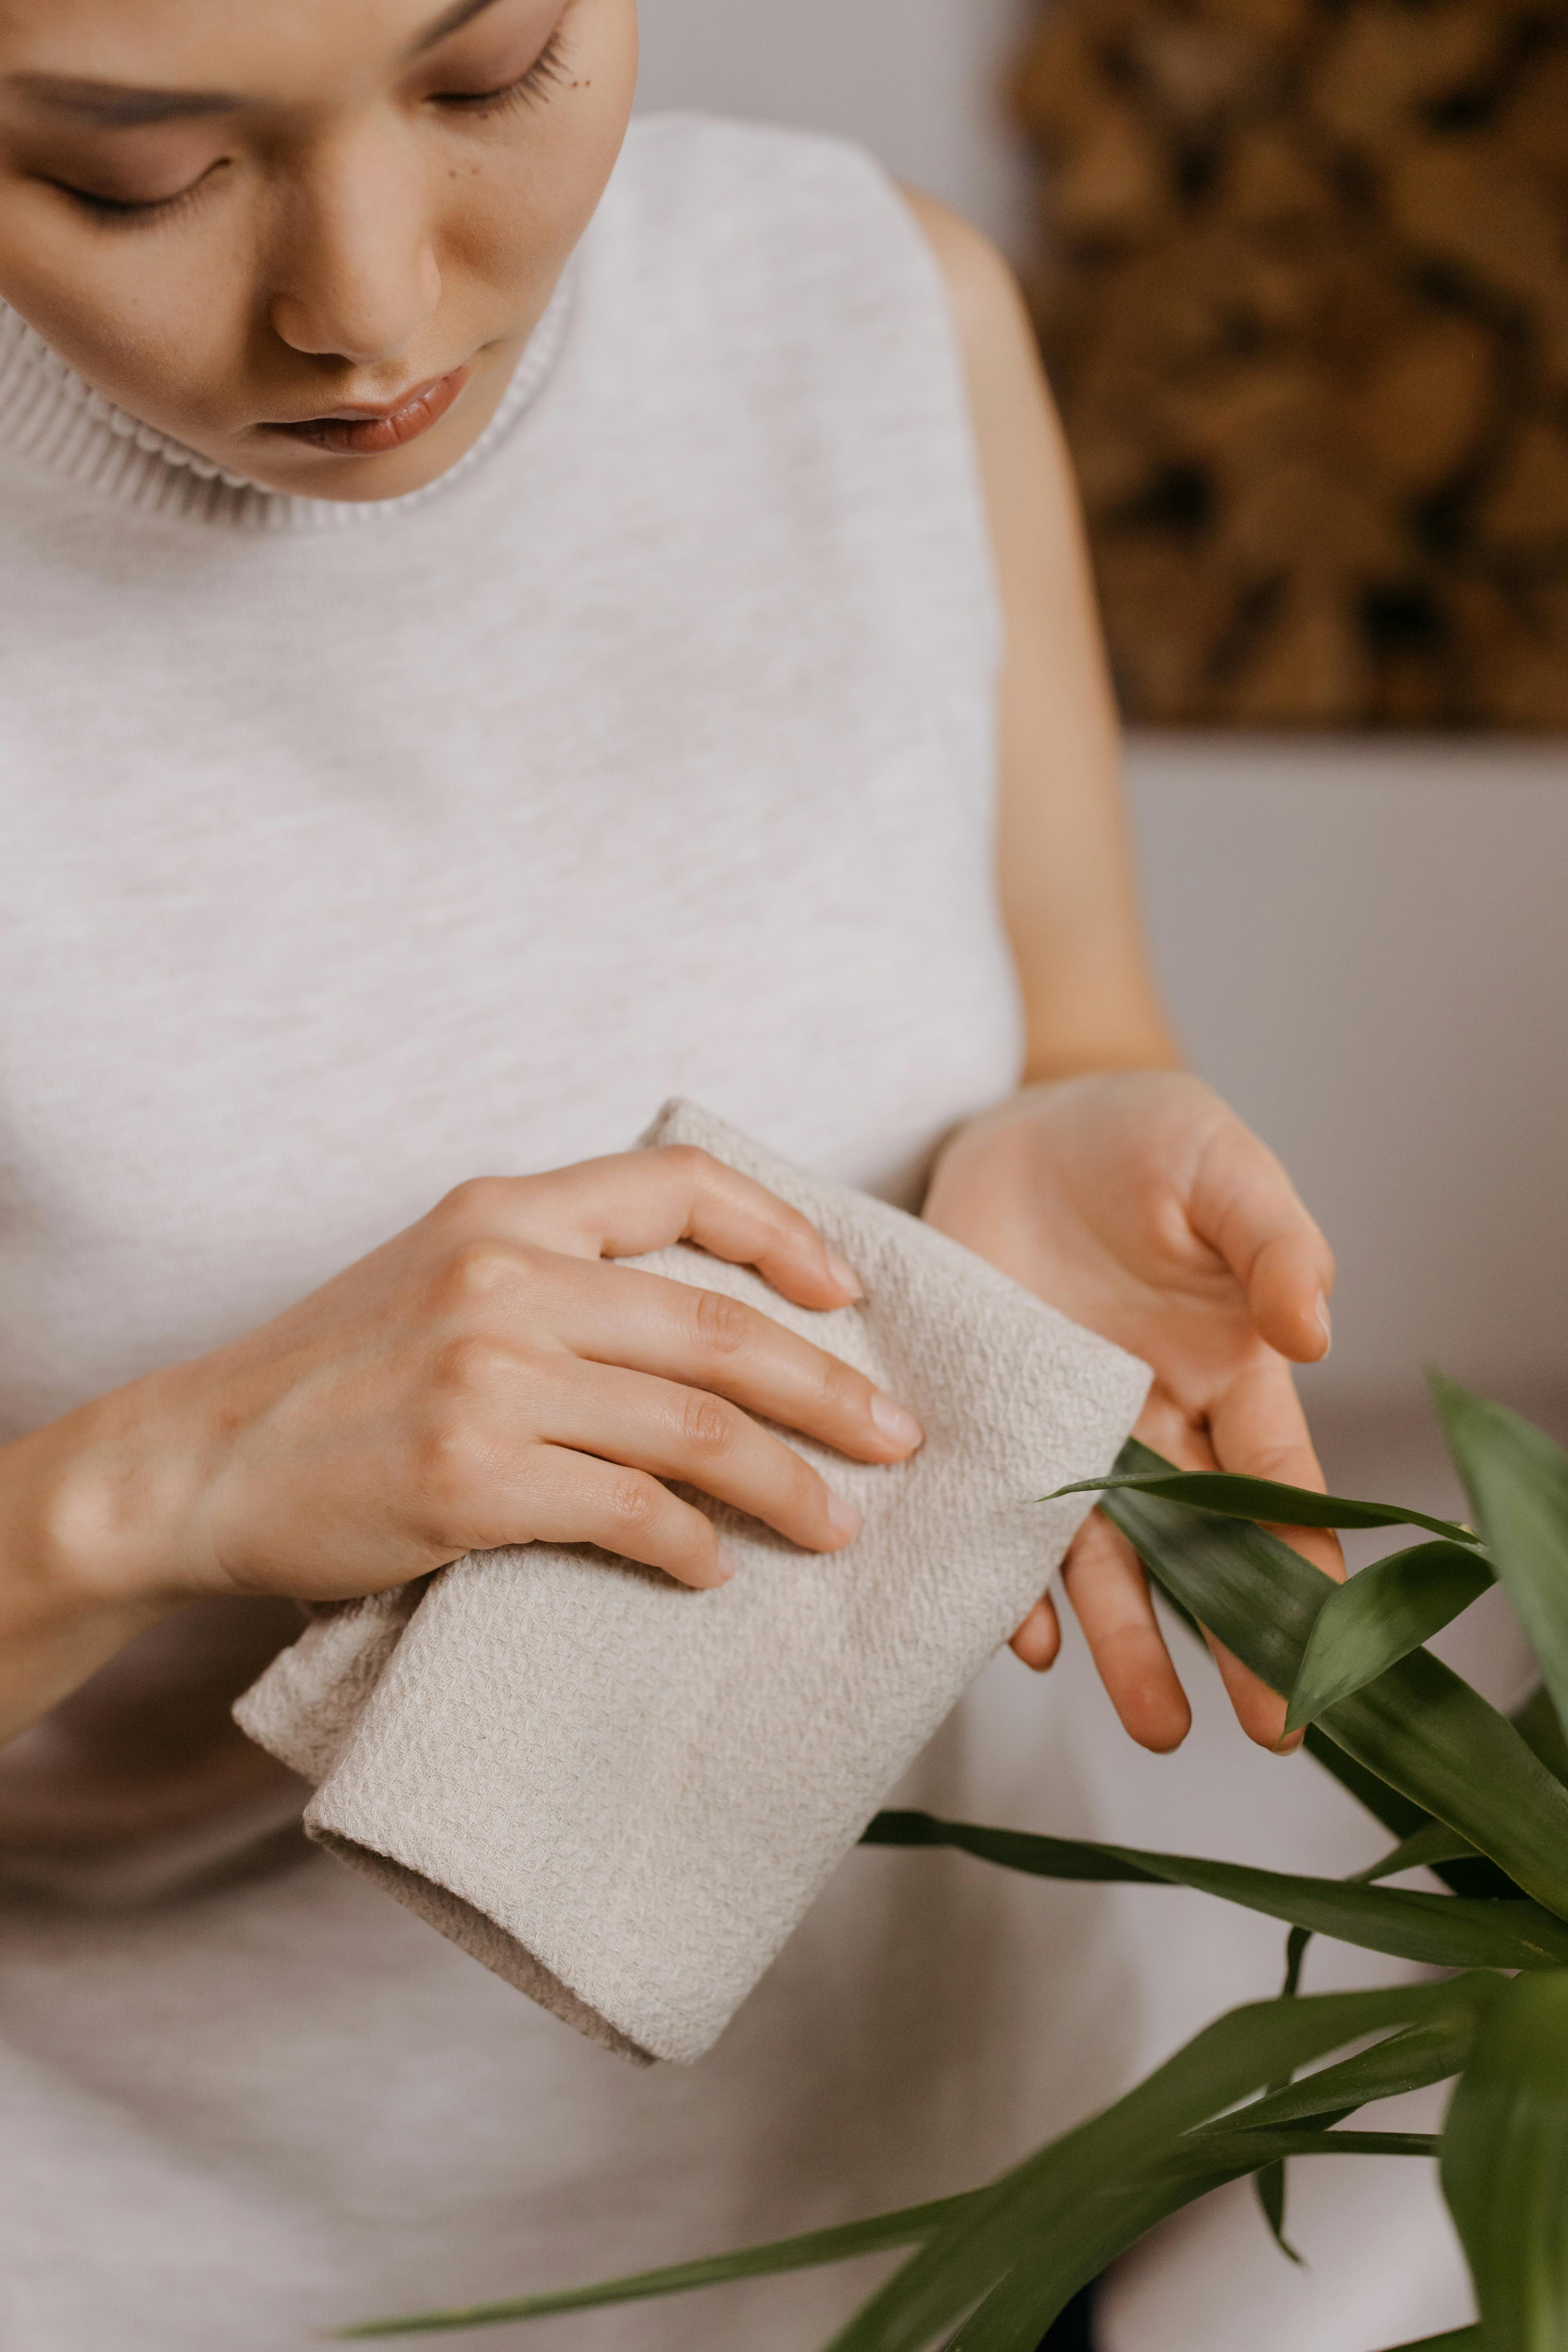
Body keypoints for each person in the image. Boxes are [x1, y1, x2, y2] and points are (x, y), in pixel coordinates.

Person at [0, 1, 1342, 2344]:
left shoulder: (871, 313)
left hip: (955, 2201)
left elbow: (1071, 1017)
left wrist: (1021, 1172)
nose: (374, 304)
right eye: (132, 167)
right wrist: (161, 1484)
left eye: (490, 68)